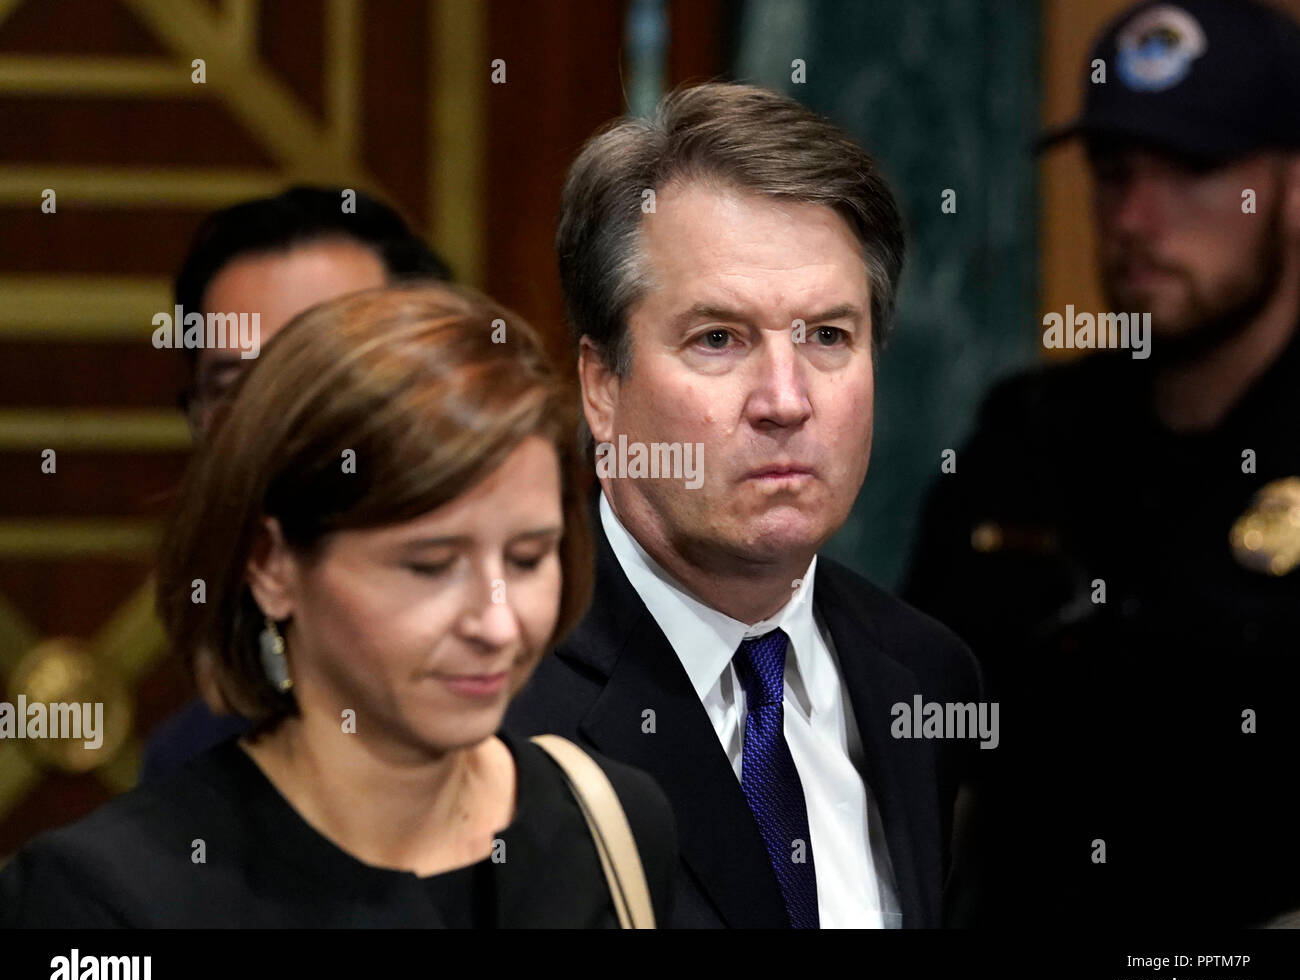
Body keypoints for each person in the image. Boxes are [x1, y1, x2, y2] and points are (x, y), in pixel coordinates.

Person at [0, 285, 676, 928]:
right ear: (272, 564)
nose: (498, 622)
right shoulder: (104, 896)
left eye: (528, 558)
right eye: (430, 566)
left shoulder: (610, 823)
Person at [506, 82, 984, 929]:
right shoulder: (493, 690)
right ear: (600, 385)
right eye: (719, 339)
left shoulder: (926, 674)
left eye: (828, 336)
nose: (785, 399)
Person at [903, 0, 1300, 926]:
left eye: (1194, 170)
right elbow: (911, 731)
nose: (1135, 217)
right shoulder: (1030, 433)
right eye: (1114, 173)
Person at [145, 186, 453, 780]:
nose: (277, 417)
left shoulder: (563, 700)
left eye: (324, 371)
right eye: (236, 385)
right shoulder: (191, 760)